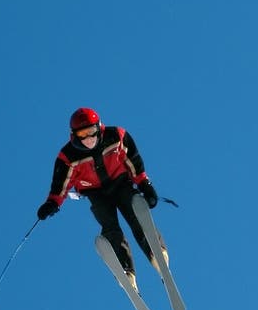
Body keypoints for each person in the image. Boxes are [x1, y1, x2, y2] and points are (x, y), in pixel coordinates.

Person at [37, 108, 167, 290]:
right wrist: (52, 203)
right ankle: (127, 273)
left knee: (136, 215)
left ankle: (158, 256)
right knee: (110, 227)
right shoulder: (68, 156)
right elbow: (61, 184)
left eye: (91, 131)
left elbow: (134, 162)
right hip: (96, 193)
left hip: (121, 184)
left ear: (99, 127)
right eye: (82, 134)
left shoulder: (116, 136)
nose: (88, 138)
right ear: (74, 135)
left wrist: (145, 185)